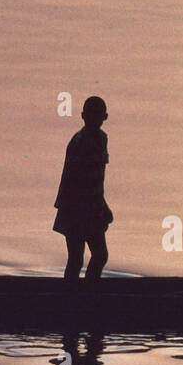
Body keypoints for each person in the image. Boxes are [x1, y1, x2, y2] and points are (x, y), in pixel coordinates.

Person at [54, 96, 112, 283]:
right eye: (90, 114)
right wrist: (98, 212)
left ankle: (87, 292)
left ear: (105, 117)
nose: (94, 119)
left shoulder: (101, 139)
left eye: (98, 115)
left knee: (97, 255)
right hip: (75, 209)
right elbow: (78, 182)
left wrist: (103, 207)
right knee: (80, 257)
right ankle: (79, 296)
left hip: (91, 207)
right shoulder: (80, 142)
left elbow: (96, 180)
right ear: (83, 116)